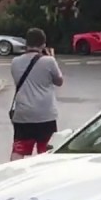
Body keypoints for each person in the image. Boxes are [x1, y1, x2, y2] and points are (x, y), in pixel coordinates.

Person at [9, 27, 64, 160]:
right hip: (45, 114)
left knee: (19, 148)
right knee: (45, 151)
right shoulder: (49, 61)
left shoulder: (15, 62)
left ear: (26, 44)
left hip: (23, 113)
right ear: (43, 44)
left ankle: (13, 174)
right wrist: (51, 57)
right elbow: (59, 81)